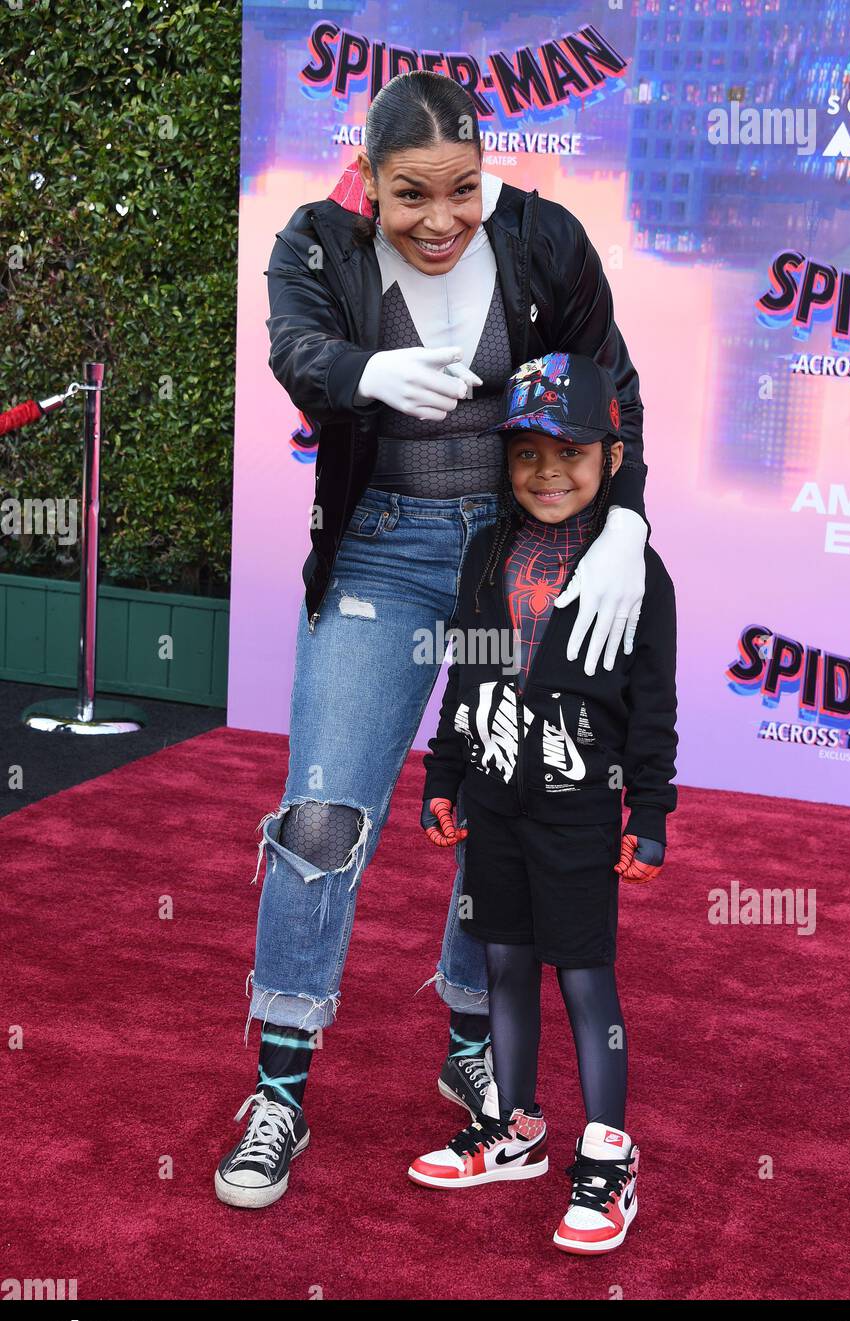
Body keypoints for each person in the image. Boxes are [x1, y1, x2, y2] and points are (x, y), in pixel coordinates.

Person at [215, 70, 651, 1210]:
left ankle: (475, 1040)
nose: (442, 220)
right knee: (322, 815)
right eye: (412, 195)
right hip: (383, 555)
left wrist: (627, 520)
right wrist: (366, 371)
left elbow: (612, 387)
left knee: (500, 801)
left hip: (513, 561)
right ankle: (280, 1087)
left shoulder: (546, 239)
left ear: (489, 170)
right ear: (368, 180)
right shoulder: (321, 241)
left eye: (465, 189)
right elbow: (297, 350)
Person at [408, 353, 678, 1256]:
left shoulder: (640, 575)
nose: (547, 474)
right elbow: (465, 677)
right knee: (503, 968)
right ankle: (514, 1127)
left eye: (570, 453)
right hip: (492, 807)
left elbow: (652, 713)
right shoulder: (486, 552)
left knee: (583, 978)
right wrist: (442, 778)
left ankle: (608, 1155)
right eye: (525, 453)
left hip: (579, 815)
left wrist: (648, 813)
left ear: (610, 458)